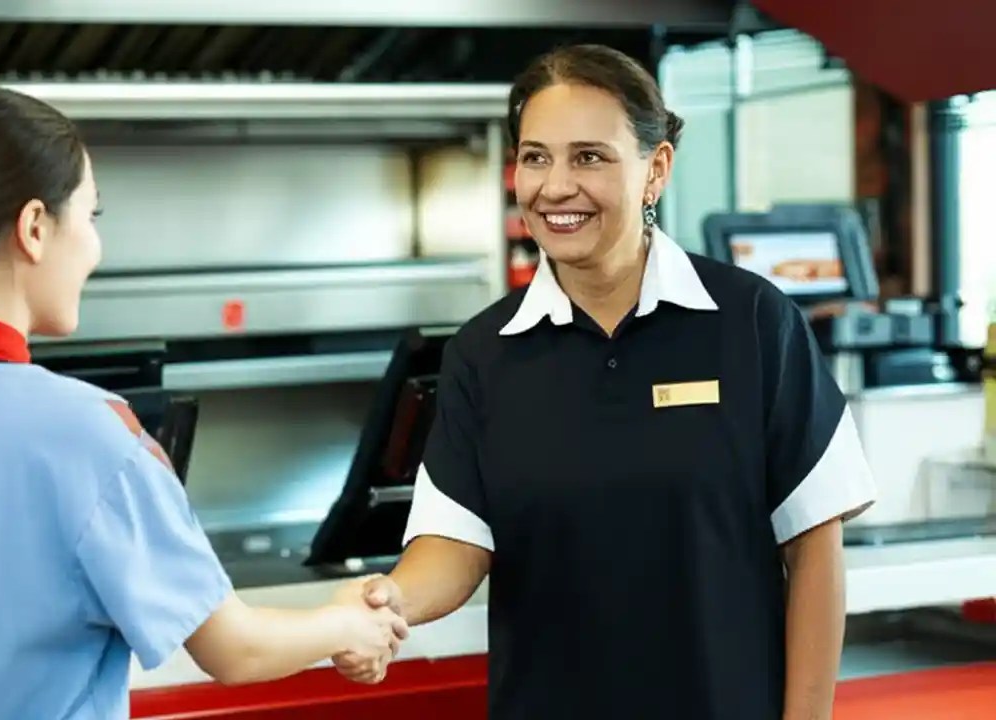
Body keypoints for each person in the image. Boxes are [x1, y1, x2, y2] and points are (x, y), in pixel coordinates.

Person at [0, 87, 407, 720]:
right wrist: (350, 620)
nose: (94, 246)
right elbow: (237, 649)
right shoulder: (92, 435)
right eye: (90, 215)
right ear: (34, 226)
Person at [332, 44, 877, 719]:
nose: (555, 187)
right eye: (536, 157)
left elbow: (814, 550)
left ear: (656, 170)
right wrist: (385, 605)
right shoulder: (484, 352)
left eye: (589, 157)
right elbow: (455, 542)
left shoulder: (753, 323)